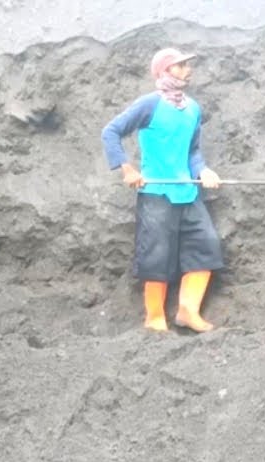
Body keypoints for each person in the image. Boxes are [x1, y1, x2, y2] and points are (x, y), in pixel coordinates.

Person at [102, 47, 223, 333]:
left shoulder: (193, 109)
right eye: (180, 66)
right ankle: (154, 317)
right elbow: (111, 131)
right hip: (156, 193)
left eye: (187, 65)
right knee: (156, 254)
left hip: (188, 191)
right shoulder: (149, 105)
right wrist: (127, 168)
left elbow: (192, 150)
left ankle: (187, 311)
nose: (187, 70)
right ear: (164, 71)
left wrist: (203, 170)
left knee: (206, 246)